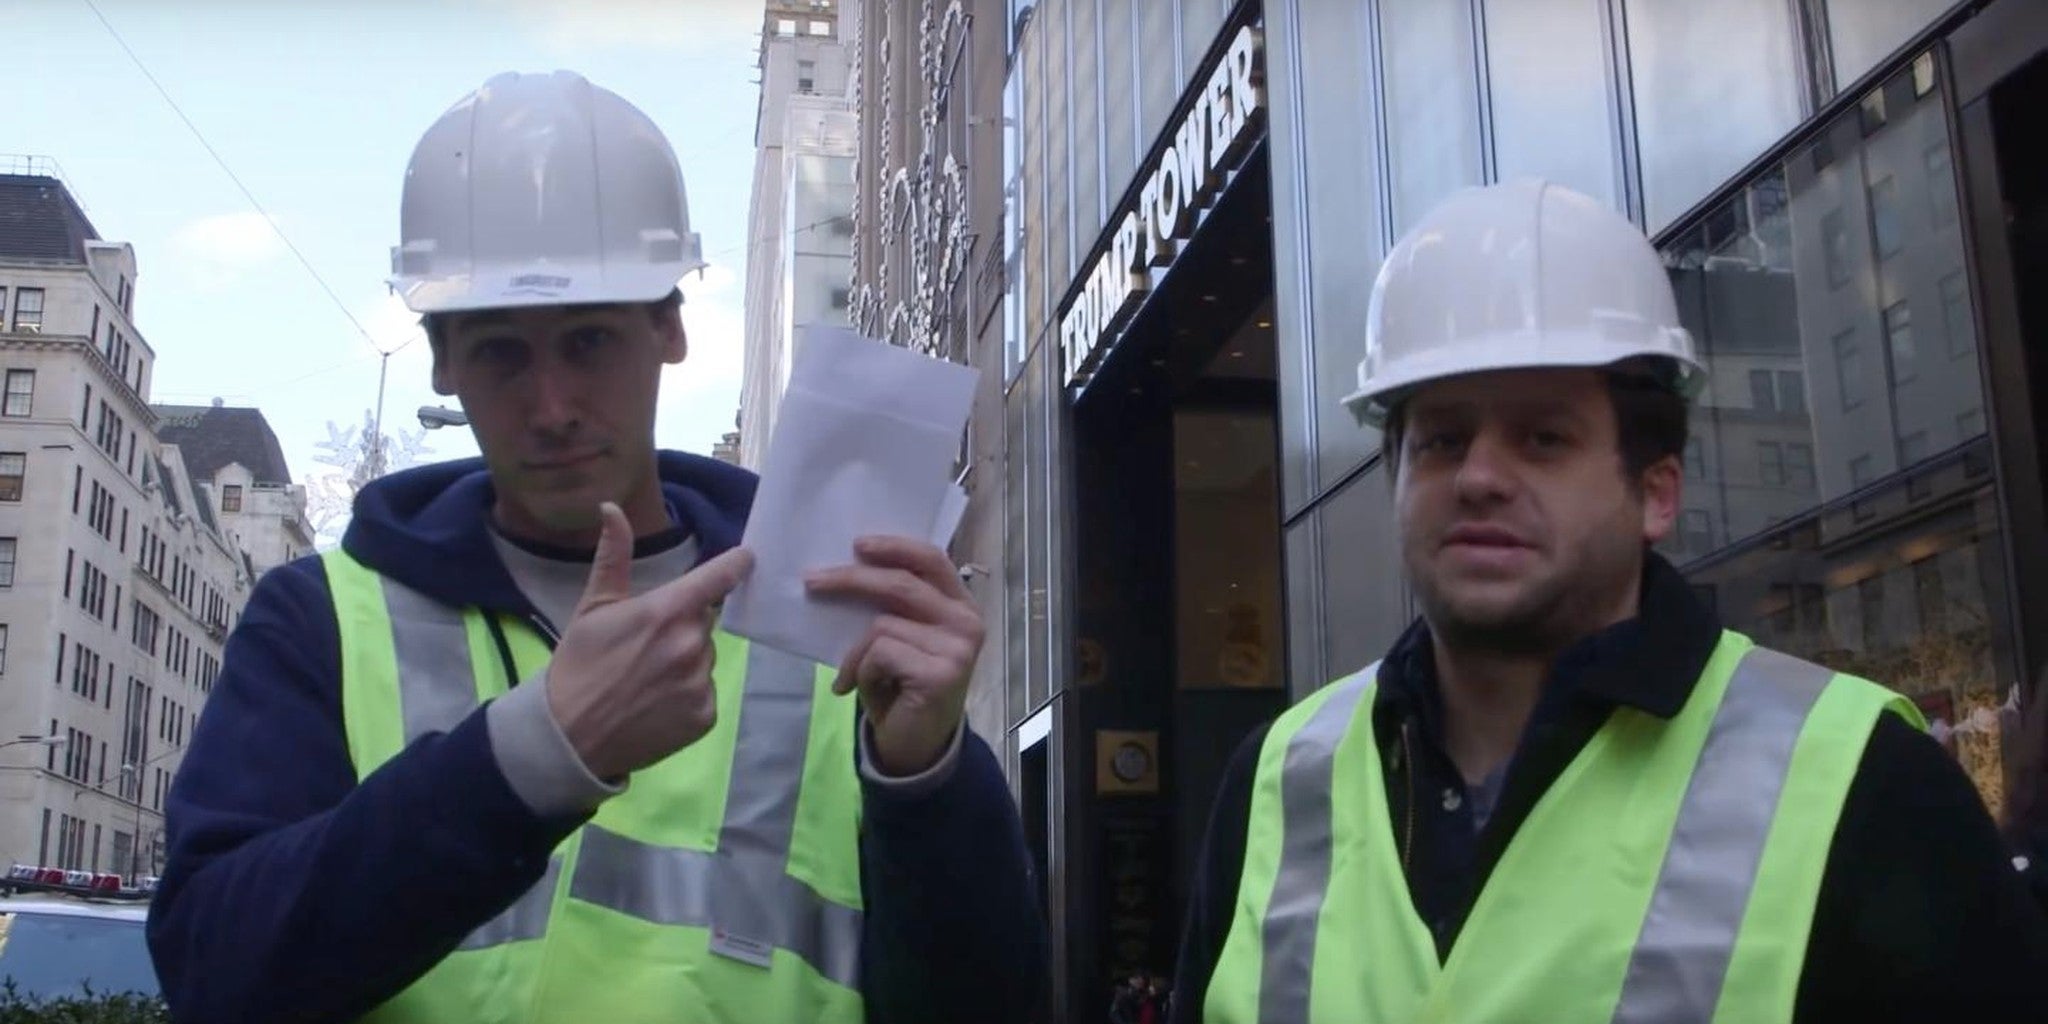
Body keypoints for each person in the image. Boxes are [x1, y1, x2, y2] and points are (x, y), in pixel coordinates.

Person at [144, 70, 1046, 1023]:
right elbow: (214, 968)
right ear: (443, 359)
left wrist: (928, 783)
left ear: (668, 329)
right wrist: (536, 752)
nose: (552, 408)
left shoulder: (828, 611)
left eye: (587, 341)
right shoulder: (321, 616)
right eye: (501, 352)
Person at [1170, 179, 2048, 1023]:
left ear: (1656, 493)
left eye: (1543, 437)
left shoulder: (1867, 786)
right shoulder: (1276, 785)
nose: (1478, 475)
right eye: (1441, 439)